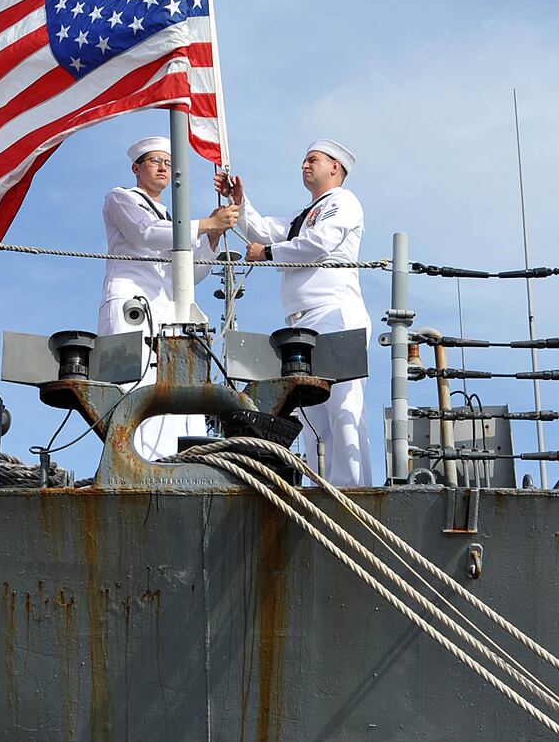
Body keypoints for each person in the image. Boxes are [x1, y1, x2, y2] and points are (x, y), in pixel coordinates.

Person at [214, 139, 373, 486]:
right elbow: (261, 230)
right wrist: (238, 201)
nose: (304, 165)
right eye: (303, 160)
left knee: (344, 411)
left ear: (335, 167)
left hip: (335, 313)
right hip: (302, 323)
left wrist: (268, 253)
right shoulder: (304, 215)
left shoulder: (342, 202)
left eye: (312, 159)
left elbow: (318, 244)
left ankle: (355, 487)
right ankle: (328, 487)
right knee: (317, 417)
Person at [100, 135, 238, 459]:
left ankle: (167, 464)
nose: (163, 167)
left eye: (168, 162)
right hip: (130, 306)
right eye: (155, 161)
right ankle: (137, 462)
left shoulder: (170, 219)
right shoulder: (121, 198)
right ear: (136, 167)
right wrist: (205, 224)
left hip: (164, 314)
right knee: (134, 391)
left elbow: (187, 276)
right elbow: (145, 233)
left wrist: (213, 235)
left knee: (169, 399)